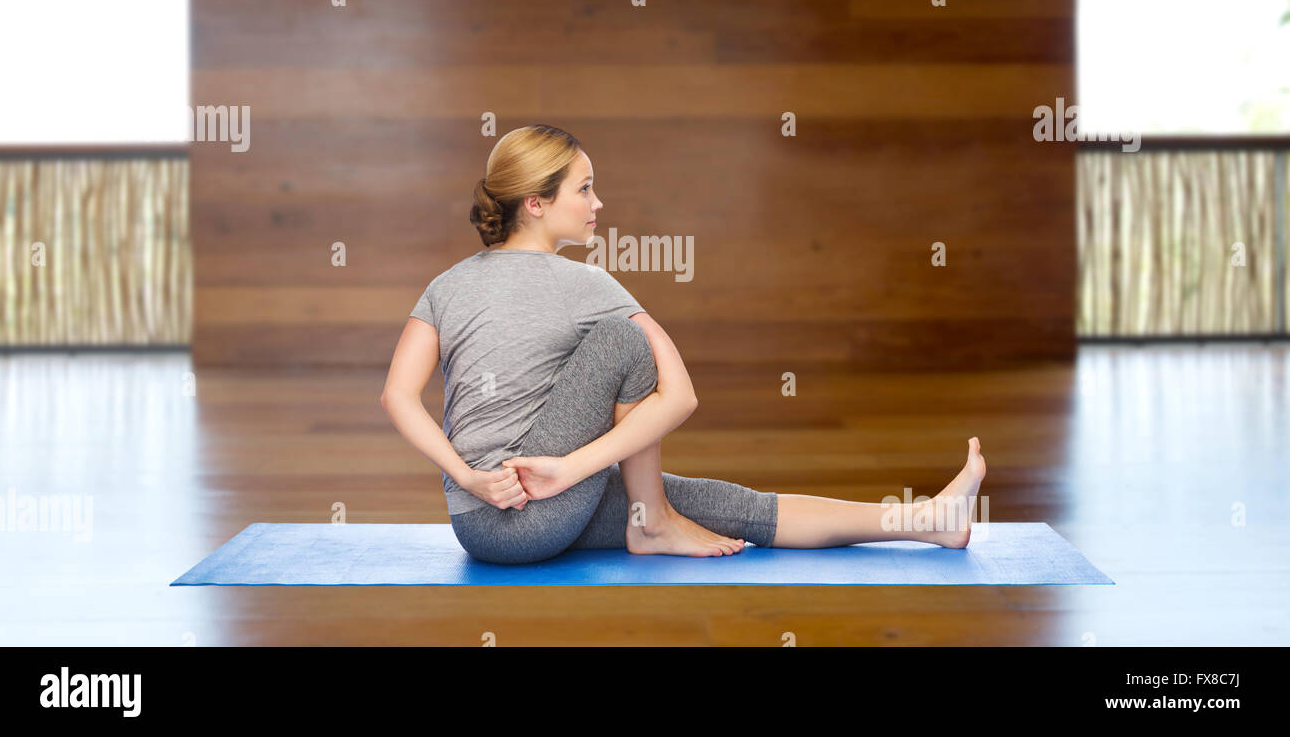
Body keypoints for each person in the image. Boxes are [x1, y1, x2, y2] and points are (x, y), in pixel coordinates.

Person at [381, 124, 986, 565]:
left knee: (717, 505)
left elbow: (398, 398)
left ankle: (928, 519)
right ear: (536, 204)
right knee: (626, 340)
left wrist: (471, 477)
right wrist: (567, 471)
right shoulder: (588, 284)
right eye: (584, 190)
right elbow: (680, 396)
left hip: (479, 527)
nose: (598, 205)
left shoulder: (446, 284)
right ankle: (653, 525)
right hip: (537, 512)